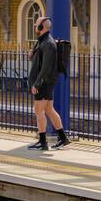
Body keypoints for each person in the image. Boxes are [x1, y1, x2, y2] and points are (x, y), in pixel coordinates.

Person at [27, 16, 69, 150]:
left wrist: (37, 84)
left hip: (44, 83)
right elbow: (40, 62)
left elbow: (46, 67)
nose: (35, 26)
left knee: (38, 110)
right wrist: (32, 55)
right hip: (45, 81)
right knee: (49, 110)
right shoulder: (41, 41)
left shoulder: (48, 43)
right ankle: (63, 138)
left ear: (41, 27)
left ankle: (43, 142)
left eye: (37, 24)